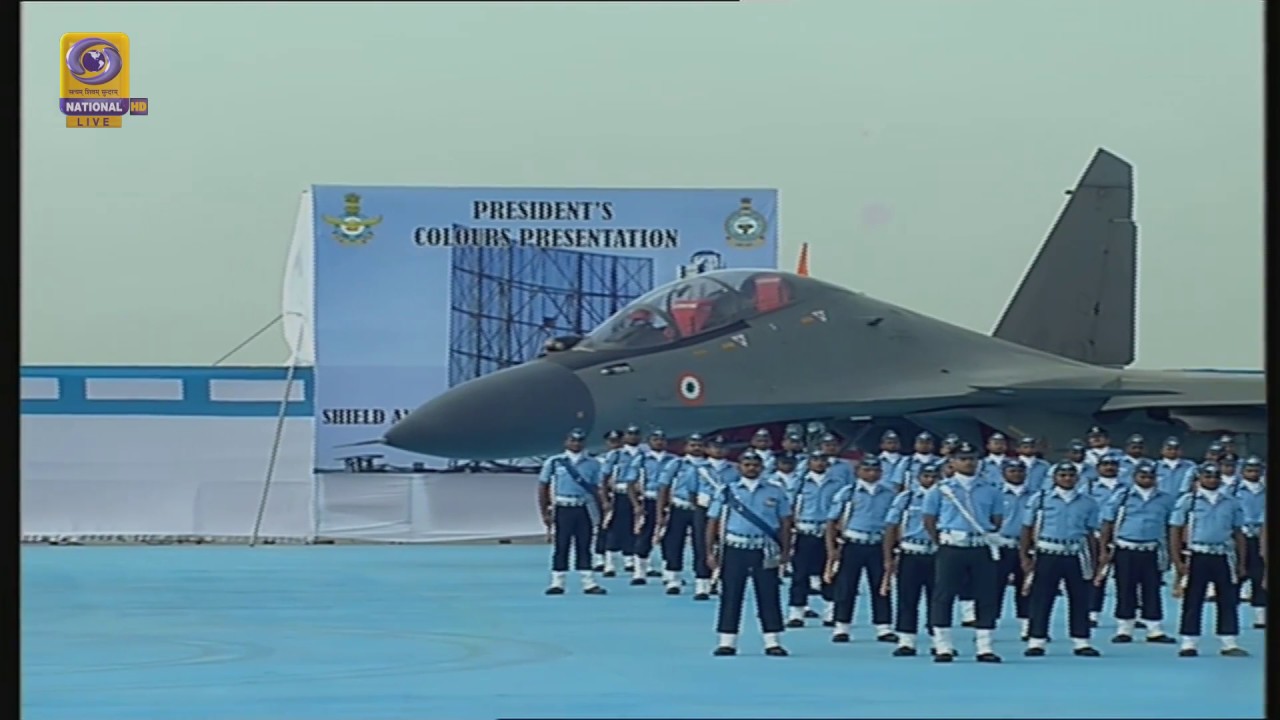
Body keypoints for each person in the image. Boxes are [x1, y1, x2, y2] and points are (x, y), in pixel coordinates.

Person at [921, 442, 1004, 662]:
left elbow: (996, 519)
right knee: (943, 595)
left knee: (986, 595)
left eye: (972, 458)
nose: (968, 462)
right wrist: (939, 541)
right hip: (951, 546)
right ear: (953, 462)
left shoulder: (991, 490)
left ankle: (985, 647)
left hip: (980, 547)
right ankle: (943, 646)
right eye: (963, 458)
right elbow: (929, 519)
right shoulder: (940, 490)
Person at [706, 451, 793, 657]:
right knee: (731, 593)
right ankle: (727, 640)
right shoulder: (727, 491)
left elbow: (785, 523)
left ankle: (772, 641)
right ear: (739, 467)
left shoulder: (776, 491)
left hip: (765, 548)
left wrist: (786, 550)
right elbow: (713, 521)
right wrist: (710, 551)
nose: (751, 468)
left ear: (762, 468)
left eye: (755, 464)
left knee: (768, 593)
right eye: (747, 464)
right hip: (735, 547)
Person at [1019, 462, 1102, 657]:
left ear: (1077, 478)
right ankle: (1037, 640)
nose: (1067, 478)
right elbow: (1027, 528)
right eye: (1062, 475)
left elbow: (1090, 533)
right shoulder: (1040, 499)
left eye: (1071, 475)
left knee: (1080, 597)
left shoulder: (1088, 502)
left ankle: (1081, 640)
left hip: (1076, 552)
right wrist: (1024, 556)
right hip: (1048, 551)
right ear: (1054, 477)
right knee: (1041, 597)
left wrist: (1096, 560)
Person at [1169, 462, 1249, 657]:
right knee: (1193, 598)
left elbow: (1238, 533)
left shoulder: (1231, 501)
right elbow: (1175, 529)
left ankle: (1228, 641)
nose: (1212, 480)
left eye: (1215, 476)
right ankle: (1189, 641)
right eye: (1207, 476)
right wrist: (1177, 560)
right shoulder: (1189, 501)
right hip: (1197, 554)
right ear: (1199, 478)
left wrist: (1241, 562)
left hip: (1224, 554)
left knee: (1228, 598)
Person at [1094, 460, 1177, 643]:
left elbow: (1172, 525)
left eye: (1150, 476)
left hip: (1152, 548)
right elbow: (1107, 522)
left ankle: (1154, 629)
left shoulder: (1165, 499)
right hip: (1126, 548)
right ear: (1134, 477)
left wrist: (1173, 553)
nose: (1147, 479)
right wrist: (1104, 549)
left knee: (1152, 588)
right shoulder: (1122, 496)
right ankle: (1125, 628)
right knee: (1125, 588)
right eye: (1143, 476)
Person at [824, 457, 898, 643]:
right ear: (858, 471)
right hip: (853, 543)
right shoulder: (848, 493)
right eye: (867, 469)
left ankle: (883, 626)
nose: (872, 473)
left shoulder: (889, 494)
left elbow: (895, 524)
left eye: (875, 470)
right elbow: (832, 521)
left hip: (878, 544)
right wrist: (832, 549)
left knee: (880, 585)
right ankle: (842, 626)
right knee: (846, 585)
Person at [538, 429, 608, 595]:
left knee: (584, 545)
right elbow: (543, 487)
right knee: (561, 545)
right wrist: (545, 511)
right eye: (573, 440)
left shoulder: (593, 463)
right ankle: (558, 582)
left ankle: (588, 582)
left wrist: (603, 509)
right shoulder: (554, 462)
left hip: (584, 507)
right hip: (563, 507)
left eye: (579, 441)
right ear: (566, 442)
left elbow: (598, 488)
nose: (576, 444)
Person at [883, 461, 941, 656]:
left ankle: (938, 639)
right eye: (926, 476)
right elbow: (892, 525)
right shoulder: (906, 498)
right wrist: (889, 556)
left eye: (934, 477)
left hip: (936, 553)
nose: (930, 480)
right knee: (907, 597)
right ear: (919, 478)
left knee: (937, 598)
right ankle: (906, 640)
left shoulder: (947, 497)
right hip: (911, 552)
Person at [786, 454, 843, 628]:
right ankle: (797, 612)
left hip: (828, 531)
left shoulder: (838, 483)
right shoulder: (800, 482)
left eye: (823, 460)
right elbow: (790, 507)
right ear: (809, 462)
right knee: (800, 573)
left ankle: (831, 611)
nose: (819, 463)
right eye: (816, 460)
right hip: (805, 530)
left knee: (830, 573)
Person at [656, 433, 712, 596]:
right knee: (674, 542)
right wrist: (661, 513)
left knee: (700, 544)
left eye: (699, 444)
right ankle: (674, 578)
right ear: (686, 447)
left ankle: (702, 581)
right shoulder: (677, 463)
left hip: (702, 509)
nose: (696, 447)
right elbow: (664, 487)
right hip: (679, 507)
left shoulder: (710, 466)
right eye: (693, 444)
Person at [630, 429, 678, 584]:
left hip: (669, 502)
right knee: (645, 534)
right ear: (649, 442)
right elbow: (630, 482)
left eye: (662, 439)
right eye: (655, 439)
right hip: (648, 500)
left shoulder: (674, 460)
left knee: (670, 537)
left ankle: (668, 573)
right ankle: (639, 572)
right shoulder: (642, 459)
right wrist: (636, 504)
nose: (659, 442)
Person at [994, 459, 1033, 640]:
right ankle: (988, 627)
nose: (1016, 474)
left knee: (1026, 587)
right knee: (993, 587)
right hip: (1001, 545)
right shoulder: (995, 494)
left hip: (1026, 546)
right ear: (1003, 473)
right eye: (1012, 470)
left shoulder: (1035, 496)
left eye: (1020, 470)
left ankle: (1026, 626)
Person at [602, 424, 645, 578]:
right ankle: (609, 562)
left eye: (636, 434)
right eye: (630, 434)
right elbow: (604, 478)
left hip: (639, 494)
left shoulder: (644, 454)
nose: (633, 437)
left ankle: (630, 559)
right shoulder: (616, 455)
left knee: (635, 527)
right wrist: (605, 499)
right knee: (615, 527)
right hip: (619, 494)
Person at [1233, 456, 1266, 629]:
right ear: (1243, 471)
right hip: (1241, 536)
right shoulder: (1233, 491)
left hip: (1261, 536)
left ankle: (1260, 615)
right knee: (1237, 575)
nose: (1253, 473)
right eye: (1249, 470)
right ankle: (1233, 612)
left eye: (1256, 470)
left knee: (1259, 575)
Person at [592, 429, 624, 570]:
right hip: (604, 494)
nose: (615, 444)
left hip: (622, 494)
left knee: (623, 525)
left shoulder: (628, 458)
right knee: (604, 525)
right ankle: (600, 556)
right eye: (612, 441)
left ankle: (622, 555)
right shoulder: (600, 460)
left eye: (617, 441)